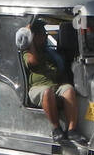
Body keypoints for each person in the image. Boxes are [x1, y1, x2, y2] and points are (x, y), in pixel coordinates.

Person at [24, 19, 85, 147]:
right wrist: (30, 41)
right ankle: (56, 128)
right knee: (48, 92)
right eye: (41, 33)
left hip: (55, 86)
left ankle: (71, 129)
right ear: (33, 37)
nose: (45, 36)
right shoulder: (28, 53)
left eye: (44, 33)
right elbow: (33, 62)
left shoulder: (49, 52)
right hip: (38, 89)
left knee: (68, 89)